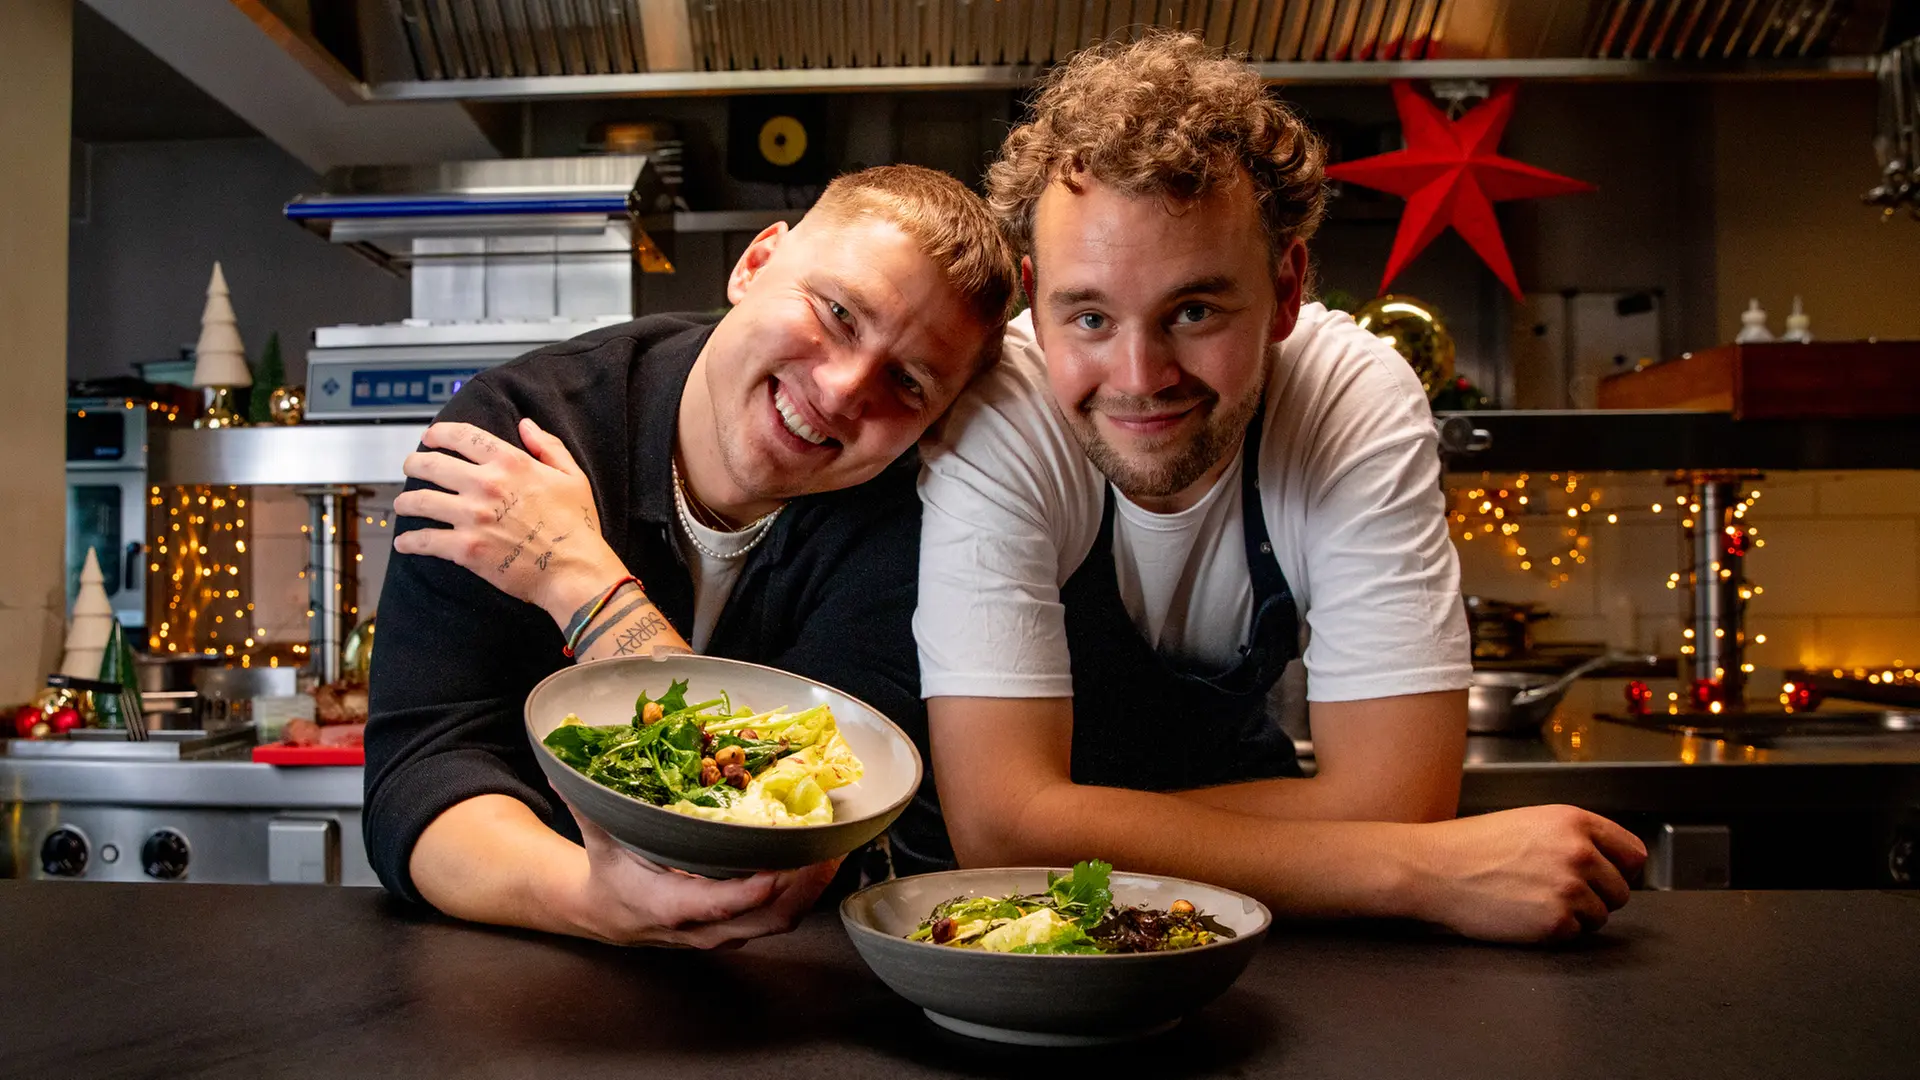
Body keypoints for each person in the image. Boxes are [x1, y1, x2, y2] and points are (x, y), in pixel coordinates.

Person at [911, 33, 1646, 943]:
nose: (1140, 375)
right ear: (1034, 296)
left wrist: (1066, 824)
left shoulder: (1353, 398)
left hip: (1267, 942)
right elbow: (996, 831)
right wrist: (1415, 870)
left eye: (1194, 311)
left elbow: (1402, 798)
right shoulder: (1002, 414)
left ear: (1288, 288)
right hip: (1028, 949)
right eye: (1090, 316)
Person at [365, 165, 1015, 948]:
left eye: (907, 383)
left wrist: (586, 585)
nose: (844, 391)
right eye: (838, 312)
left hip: (780, 994)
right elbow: (423, 772)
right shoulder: (519, 432)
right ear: (754, 264)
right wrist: (590, 900)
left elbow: (794, 818)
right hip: (518, 961)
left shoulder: (916, 522)